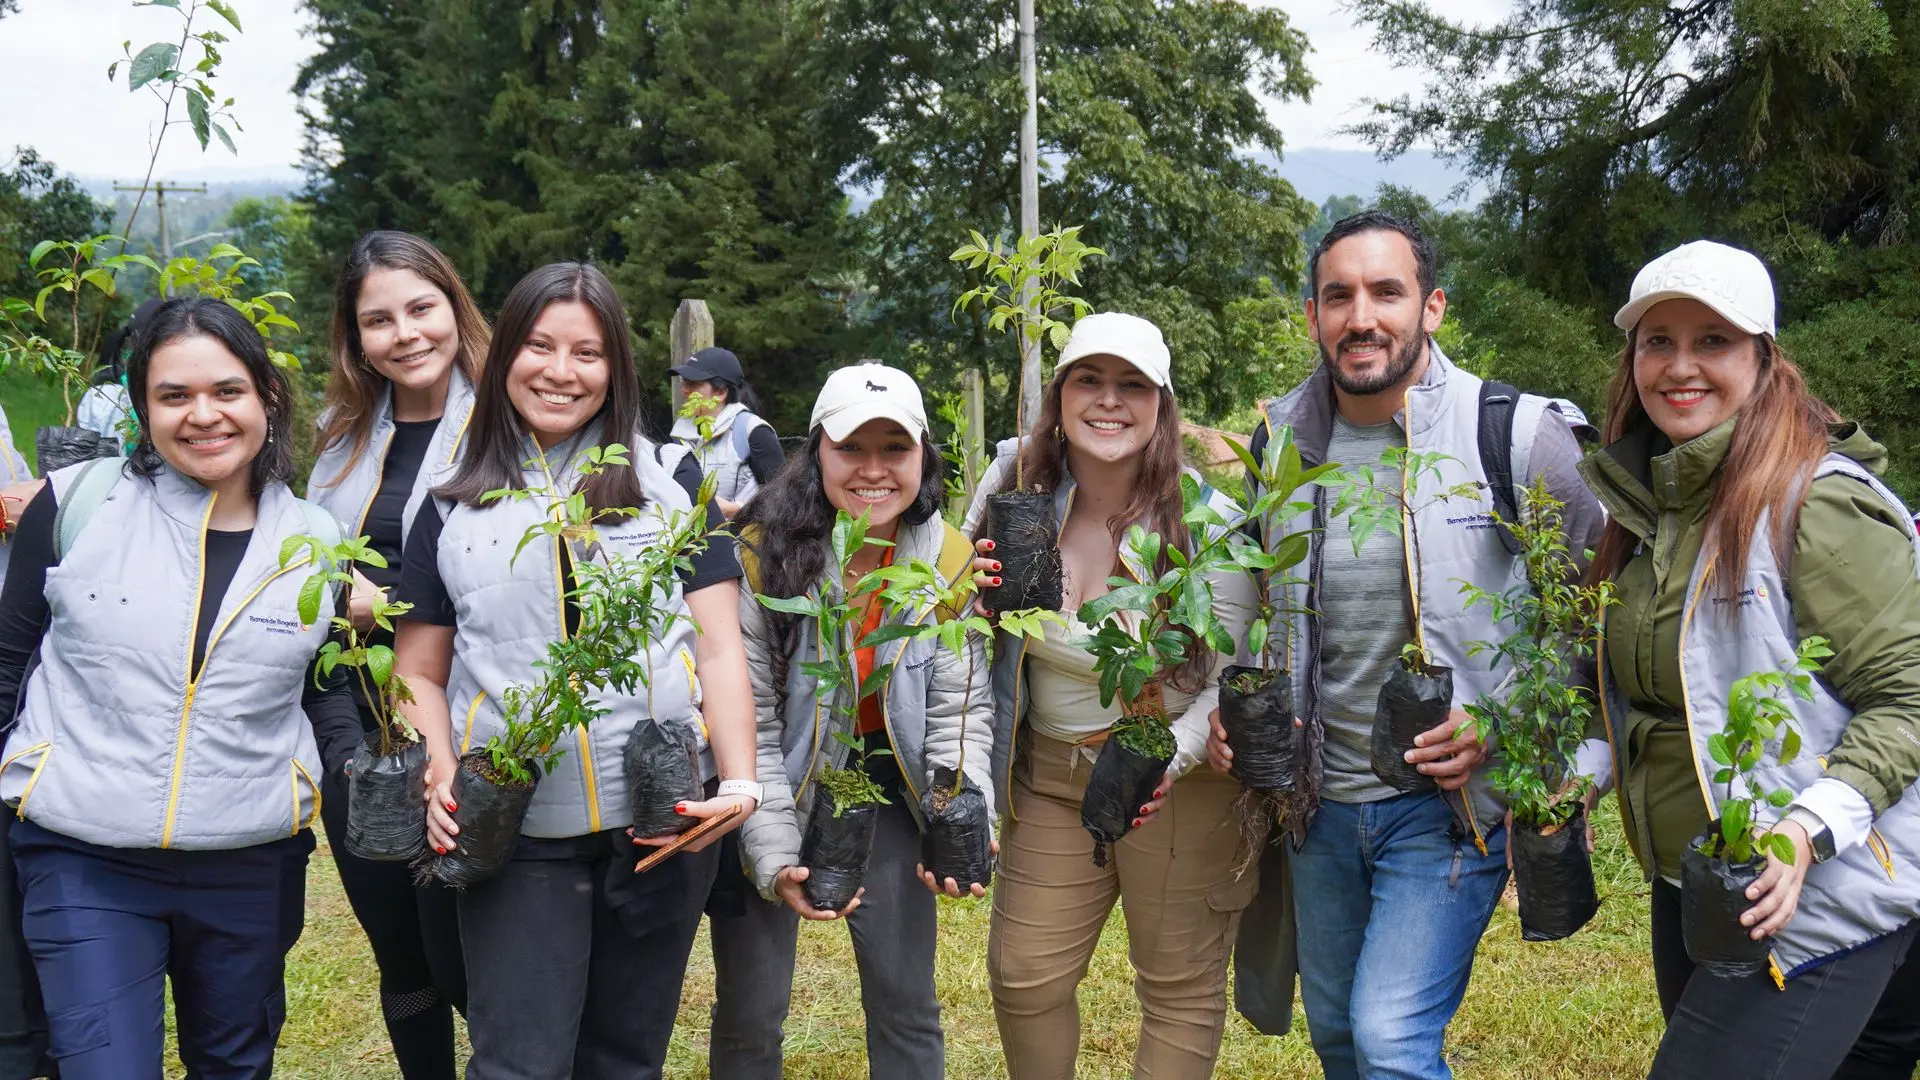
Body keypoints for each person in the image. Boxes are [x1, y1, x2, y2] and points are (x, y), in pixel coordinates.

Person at [1220, 210, 1604, 1080]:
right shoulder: (1279, 441)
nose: (1362, 317)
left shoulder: (1513, 435)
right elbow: (1250, 601)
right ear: (1315, 314)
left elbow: (1600, 618)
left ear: (1432, 307)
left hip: (1446, 810)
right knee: (1342, 1040)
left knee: (1391, 1040)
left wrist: (1505, 729)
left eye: (1386, 292)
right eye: (1338, 295)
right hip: (1320, 808)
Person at [392, 262, 760, 1080]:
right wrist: (442, 771)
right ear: (504, 358)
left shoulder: (670, 486)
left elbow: (719, 645)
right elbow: (415, 670)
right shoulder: (452, 504)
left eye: (587, 353)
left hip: (663, 827)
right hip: (520, 830)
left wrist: (739, 780)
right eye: (539, 346)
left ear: (615, 369)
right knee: (519, 1063)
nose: (561, 371)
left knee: (627, 1060)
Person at [1572, 239, 1920, 1078]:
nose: (1680, 366)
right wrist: (1579, 774)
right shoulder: (1653, 504)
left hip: (1824, 887)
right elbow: (1646, 691)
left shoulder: (1817, 502)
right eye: (1658, 341)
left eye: (1713, 341)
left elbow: (1907, 699)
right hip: (1704, 880)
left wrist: (1803, 835)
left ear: (1764, 358)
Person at [0, 297, 363, 1079]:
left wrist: (355, 769)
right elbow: (7, 664)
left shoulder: (315, 542)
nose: (204, 416)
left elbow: (323, 690)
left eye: (227, 391)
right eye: (175, 396)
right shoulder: (77, 508)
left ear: (266, 395)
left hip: (251, 861)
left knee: (234, 1066)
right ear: (142, 407)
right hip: (84, 855)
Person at [963, 312, 1259, 1080]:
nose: (1109, 401)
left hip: (1175, 784)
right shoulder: (1013, 491)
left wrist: (1175, 757)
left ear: (1162, 404)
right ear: (1060, 394)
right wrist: (965, 591)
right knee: (1025, 975)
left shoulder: (1206, 526)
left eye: (1133, 385)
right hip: (1053, 778)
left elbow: (1230, 679)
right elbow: (959, 607)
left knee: (1178, 986)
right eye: (1089, 380)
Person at [715, 361, 990, 1080]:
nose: (874, 470)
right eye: (851, 449)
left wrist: (959, 811)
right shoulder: (757, 557)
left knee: (906, 1002)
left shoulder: (949, 561)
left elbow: (962, 708)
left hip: (881, 784)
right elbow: (752, 727)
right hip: (772, 779)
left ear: (922, 457)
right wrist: (774, 858)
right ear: (817, 455)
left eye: (894, 449)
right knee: (750, 1011)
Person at [304, 230, 489, 1080]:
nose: (405, 333)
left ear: (455, 307)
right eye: (379, 320)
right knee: (398, 949)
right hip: (358, 718)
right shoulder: (338, 443)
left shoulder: (505, 423)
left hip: (468, 715)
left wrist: (393, 602)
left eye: (421, 308)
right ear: (356, 338)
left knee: (467, 953)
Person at [669, 346, 783, 517]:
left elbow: (784, 497)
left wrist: (735, 509)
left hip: (742, 540)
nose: (684, 389)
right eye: (684, 381)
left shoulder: (753, 432)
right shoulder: (679, 434)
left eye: (693, 383)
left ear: (721, 392)